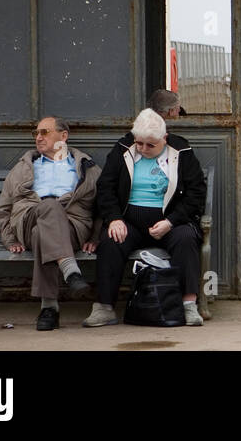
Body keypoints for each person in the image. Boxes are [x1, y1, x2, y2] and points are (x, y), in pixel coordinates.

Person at [84, 109, 207, 327]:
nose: (143, 149)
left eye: (150, 145)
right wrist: (114, 218)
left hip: (170, 221)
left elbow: (196, 194)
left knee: (186, 238)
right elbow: (106, 187)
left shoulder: (182, 150)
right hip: (129, 221)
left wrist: (170, 222)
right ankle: (104, 307)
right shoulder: (123, 148)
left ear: (164, 139)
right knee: (112, 241)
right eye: (139, 143)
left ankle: (188, 305)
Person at [0, 116, 101, 331]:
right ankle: (70, 270)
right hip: (29, 216)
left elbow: (102, 208)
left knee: (40, 233)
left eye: (45, 132)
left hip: (72, 225)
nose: (38, 137)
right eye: (36, 133)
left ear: (63, 136)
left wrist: (94, 237)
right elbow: (3, 211)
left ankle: (49, 308)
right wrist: (10, 239)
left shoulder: (87, 168)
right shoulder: (23, 168)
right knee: (50, 206)